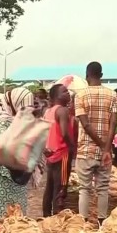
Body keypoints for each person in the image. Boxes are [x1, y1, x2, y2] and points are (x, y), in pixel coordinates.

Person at [75, 62, 117, 223]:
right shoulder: (112, 95)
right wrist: (106, 148)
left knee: (84, 188)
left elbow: (85, 124)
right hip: (105, 152)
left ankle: (83, 224)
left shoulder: (80, 95)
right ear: (101, 75)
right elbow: (113, 123)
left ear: (87, 75)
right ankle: (101, 222)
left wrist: (100, 144)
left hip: (86, 149)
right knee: (103, 188)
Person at [0, 88, 33, 221]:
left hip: (15, 178)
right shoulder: (2, 122)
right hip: (5, 178)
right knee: (1, 222)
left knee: (16, 223)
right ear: (15, 104)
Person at [43, 84, 73, 216]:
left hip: (51, 153)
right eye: (65, 92)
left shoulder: (48, 111)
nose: (68, 93)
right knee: (60, 187)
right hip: (62, 153)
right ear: (56, 96)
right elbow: (65, 132)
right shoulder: (62, 111)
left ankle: (46, 215)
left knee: (49, 187)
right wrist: (73, 147)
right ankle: (57, 217)